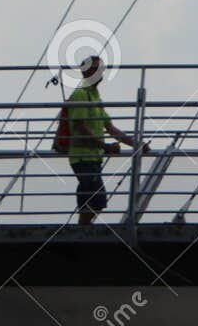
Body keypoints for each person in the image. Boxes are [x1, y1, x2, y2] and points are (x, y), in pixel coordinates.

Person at [58, 55, 143, 226]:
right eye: (97, 68)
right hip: (82, 157)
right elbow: (81, 127)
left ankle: (82, 228)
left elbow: (110, 128)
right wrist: (105, 146)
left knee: (93, 198)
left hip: (93, 157)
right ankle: (82, 229)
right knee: (96, 198)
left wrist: (137, 144)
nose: (101, 72)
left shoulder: (95, 97)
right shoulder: (81, 94)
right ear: (87, 71)